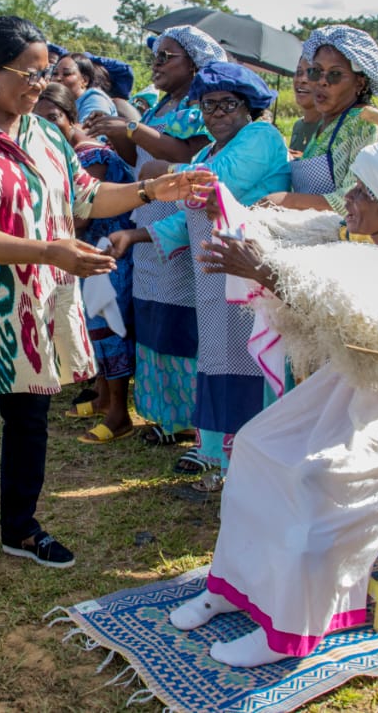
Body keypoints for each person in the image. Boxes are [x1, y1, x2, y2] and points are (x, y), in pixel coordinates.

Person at [0, 16, 213, 608]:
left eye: (45, 72)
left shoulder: (44, 134)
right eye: (28, 73)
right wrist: (49, 250)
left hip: (36, 305)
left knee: (31, 421)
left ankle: (23, 529)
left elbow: (87, 196)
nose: (39, 83)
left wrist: (155, 192)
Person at [172, 127, 378, 666]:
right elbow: (283, 229)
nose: (348, 201)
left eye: (362, 194)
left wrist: (263, 272)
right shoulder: (355, 233)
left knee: (312, 475)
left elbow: (368, 319)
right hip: (348, 391)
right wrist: (224, 204)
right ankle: (230, 587)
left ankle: (290, 628)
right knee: (257, 445)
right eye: (353, 188)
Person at [109, 63, 291, 488]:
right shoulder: (208, 150)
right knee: (218, 361)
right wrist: (135, 235)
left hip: (251, 273)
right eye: (209, 105)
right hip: (213, 274)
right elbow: (186, 212)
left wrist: (162, 175)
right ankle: (221, 455)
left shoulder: (261, 137)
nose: (218, 113)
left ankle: (252, 463)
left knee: (250, 363)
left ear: (250, 107)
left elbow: (210, 185)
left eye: (229, 103)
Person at [88, 26, 226, 447]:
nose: (158, 63)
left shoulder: (203, 105)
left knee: (181, 323)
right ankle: (164, 417)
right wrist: (118, 135)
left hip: (178, 223)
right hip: (147, 218)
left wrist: (129, 129)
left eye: (168, 56)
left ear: (195, 63)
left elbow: (188, 155)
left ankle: (188, 419)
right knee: (152, 321)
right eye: (157, 55)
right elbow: (141, 158)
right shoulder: (159, 106)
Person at [35, 83, 137, 442]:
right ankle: (104, 399)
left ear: (72, 117)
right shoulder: (65, 153)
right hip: (91, 254)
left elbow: (80, 215)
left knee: (110, 330)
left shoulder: (91, 156)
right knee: (98, 328)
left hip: (110, 256)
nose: (45, 127)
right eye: (38, 120)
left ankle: (120, 414)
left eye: (53, 118)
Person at [267, 24, 378, 213]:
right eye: (315, 71)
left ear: (360, 82)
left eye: (334, 75)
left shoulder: (366, 124)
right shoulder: (326, 125)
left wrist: (287, 201)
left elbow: (354, 200)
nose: (321, 81)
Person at [51, 52, 117, 122]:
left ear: (85, 81)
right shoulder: (56, 102)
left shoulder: (95, 100)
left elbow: (89, 131)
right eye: (55, 73)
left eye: (66, 74)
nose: (58, 78)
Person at [287, 54, 323, 157]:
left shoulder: (331, 128)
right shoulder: (298, 125)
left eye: (312, 73)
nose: (302, 79)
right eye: (299, 72)